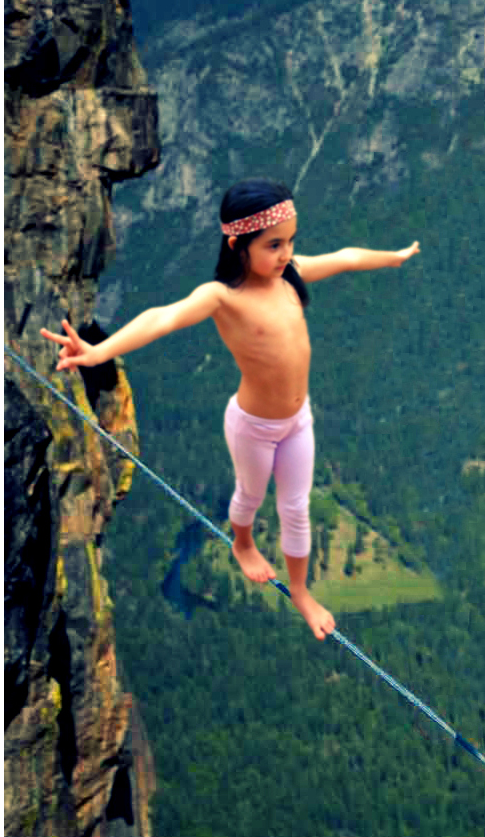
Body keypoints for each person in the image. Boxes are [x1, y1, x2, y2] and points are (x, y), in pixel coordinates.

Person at [41, 178, 419, 641]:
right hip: (253, 427)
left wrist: (392, 257)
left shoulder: (290, 276)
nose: (286, 254)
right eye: (274, 244)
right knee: (250, 496)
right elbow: (163, 316)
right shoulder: (222, 297)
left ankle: (300, 592)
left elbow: (344, 258)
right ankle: (242, 544)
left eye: (291, 242)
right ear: (238, 244)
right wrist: (98, 352)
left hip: (300, 421)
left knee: (296, 507)